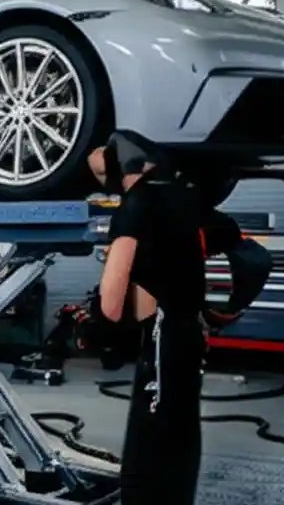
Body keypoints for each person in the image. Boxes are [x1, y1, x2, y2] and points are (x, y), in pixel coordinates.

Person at [87, 130, 206, 505]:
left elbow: (111, 303)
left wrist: (93, 326)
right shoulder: (183, 198)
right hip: (190, 334)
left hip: (161, 337)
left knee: (148, 444)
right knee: (181, 435)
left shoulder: (135, 206)